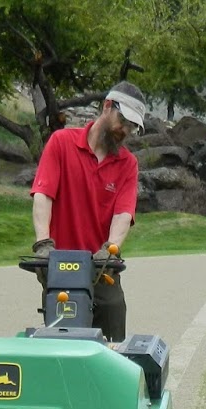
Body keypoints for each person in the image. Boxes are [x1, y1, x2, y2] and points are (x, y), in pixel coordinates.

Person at [29, 81, 146, 341]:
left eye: (132, 127)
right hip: (58, 264)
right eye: (123, 121)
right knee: (61, 331)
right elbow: (43, 195)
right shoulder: (61, 143)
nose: (125, 130)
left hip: (100, 266)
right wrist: (43, 243)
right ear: (107, 106)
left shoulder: (127, 164)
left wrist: (109, 250)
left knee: (113, 311)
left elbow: (123, 215)